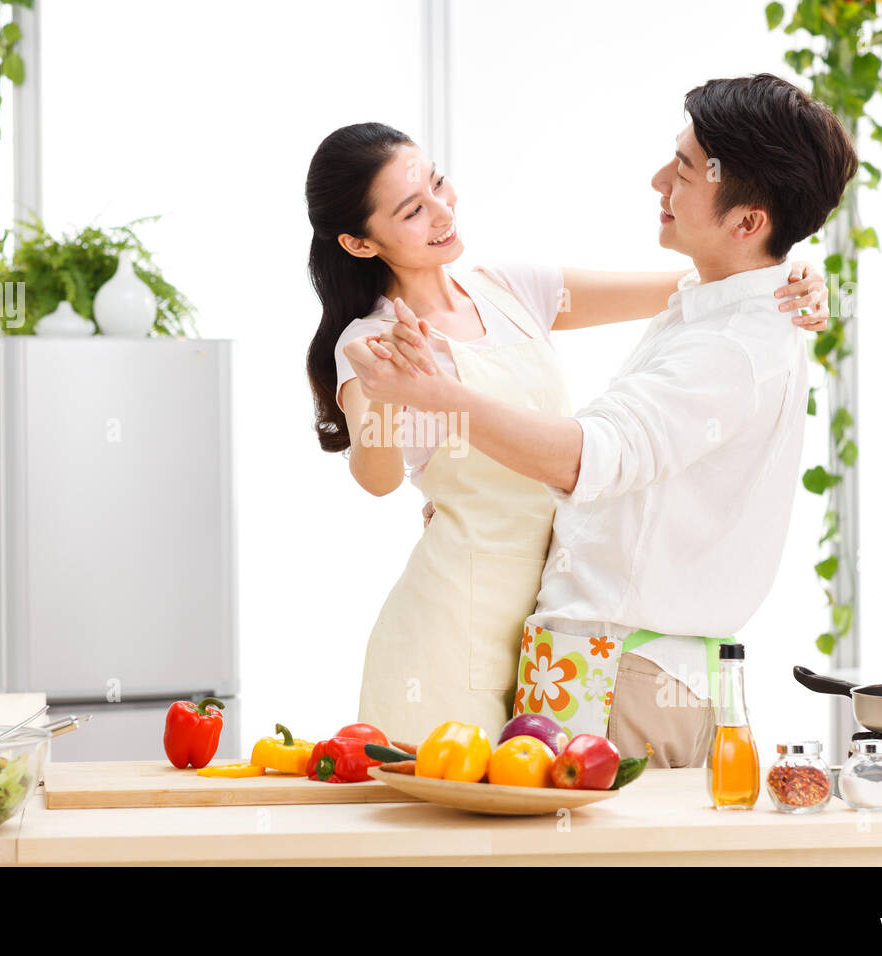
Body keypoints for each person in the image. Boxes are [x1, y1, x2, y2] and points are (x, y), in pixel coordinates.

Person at [305, 115, 831, 745]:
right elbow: (376, 479)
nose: (443, 213)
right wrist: (394, 389)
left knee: (524, 817)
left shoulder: (510, 290)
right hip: (452, 622)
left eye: (440, 186)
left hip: (552, 631)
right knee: (454, 828)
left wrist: (796, 280)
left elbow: (701, 287)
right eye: (414, 210)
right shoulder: (369, 341)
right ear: (362, 243)